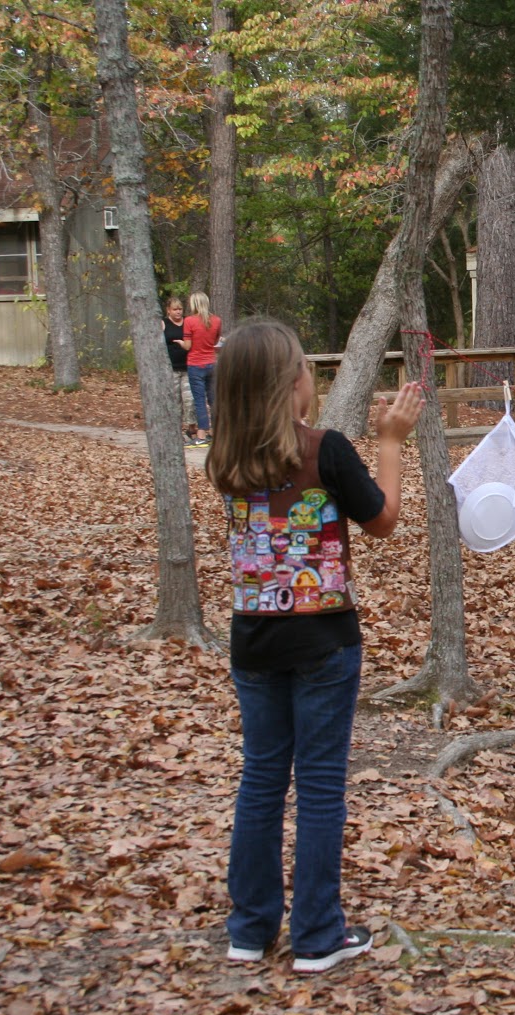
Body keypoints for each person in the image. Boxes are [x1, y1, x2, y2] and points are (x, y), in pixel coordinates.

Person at [205, 318, 425, 973]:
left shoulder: (225, 457)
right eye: (305, 368)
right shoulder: (324, 450)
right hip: (325, 643)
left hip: (254, 644)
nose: (313, 378)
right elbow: (383, 519)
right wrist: (390, 441)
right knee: (321, 787)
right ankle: (318, 935)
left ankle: (248, 929)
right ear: (286, 385)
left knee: (262, 780)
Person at [183, 291, 222, 447]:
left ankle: (201, 434)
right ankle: (215, 432)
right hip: (212, 363)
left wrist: (180, 343)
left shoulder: (189, 321)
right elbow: (216, 341)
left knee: (199, 401)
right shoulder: (216, 320)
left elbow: (188, 345)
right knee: (213, 399)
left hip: (195, 364)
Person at [161, 297, 195, 443]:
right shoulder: (164, 323)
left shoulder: (187, 322)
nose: (178, 312)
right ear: (168, 310)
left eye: (180, 309)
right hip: (171, 369)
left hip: (187, 367)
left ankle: (191, 429)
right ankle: (175, 432)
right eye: (175, 309)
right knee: (175, 402)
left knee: (189, 399)